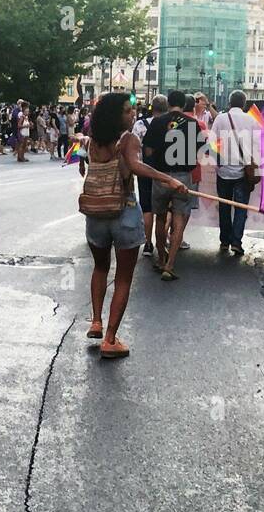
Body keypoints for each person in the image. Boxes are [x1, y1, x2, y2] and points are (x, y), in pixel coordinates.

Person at [78, 93, 187, 358]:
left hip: (95, 213)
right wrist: (169, 180)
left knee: (101, 267)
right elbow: (137, 167)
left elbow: (83, 167)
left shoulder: (92, 142)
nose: (132, 114)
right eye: (127, 111)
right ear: (115, 115)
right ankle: (110, 340)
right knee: (124, 278)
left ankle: (96, 321)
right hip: (122, 212)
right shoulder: (128, 139)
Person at [145, 91, 201, 281]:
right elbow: (199, 152)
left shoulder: (158, 122)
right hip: (183, 177)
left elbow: (148, 150)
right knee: (178, 218)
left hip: (161, 176)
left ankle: (161, 259)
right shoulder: (192, 124)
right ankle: (170, 265)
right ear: (184, 104)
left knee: (160, 217)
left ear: (168, 103)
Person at [210, 90, 261, 257]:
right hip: (243, 173)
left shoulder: (221, 118)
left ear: (230, 103)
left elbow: (211, 144)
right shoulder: (251, 121)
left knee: (224, 207)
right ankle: (236, 242)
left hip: (224, 170)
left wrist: (217, 164)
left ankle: (224, 240)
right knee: (241, 209)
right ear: (244, 104)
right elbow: (258, 147)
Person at [136, 95, 168, 258]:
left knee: (147, 208)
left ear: (152, 107)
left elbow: (135, 149)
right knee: (163, 210)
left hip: (144, 169)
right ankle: (163, 244)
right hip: (163, 171)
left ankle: (148, 244)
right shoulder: (170, 125)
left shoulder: (140, 124)